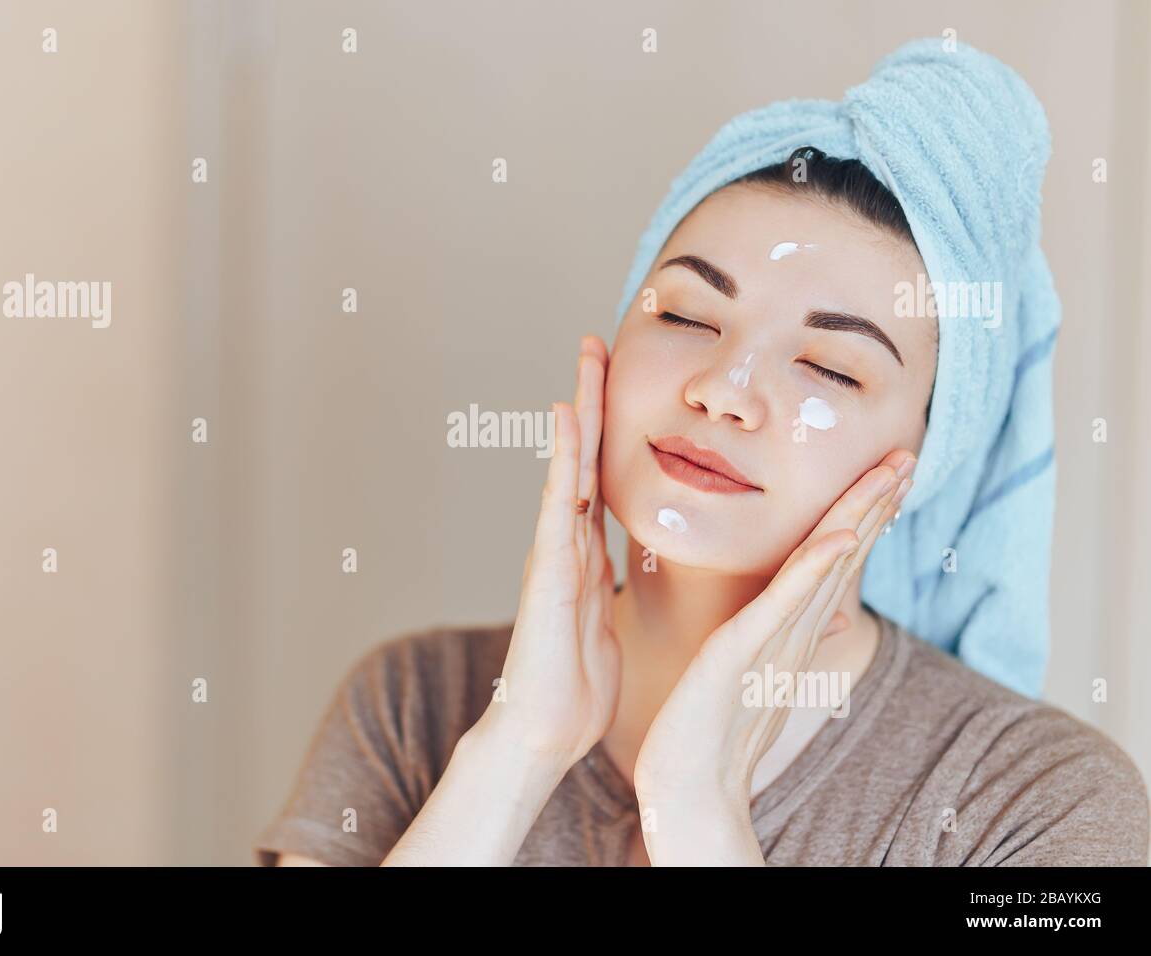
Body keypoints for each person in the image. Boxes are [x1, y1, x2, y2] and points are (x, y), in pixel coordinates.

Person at [256, 39, 1151, 866]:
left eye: (830, 367)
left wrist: (696, 807)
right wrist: (519, 749)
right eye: (687, 316)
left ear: (927, 451)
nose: (724, 386)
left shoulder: (1042, 802)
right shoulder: (414, 706)